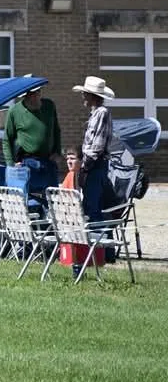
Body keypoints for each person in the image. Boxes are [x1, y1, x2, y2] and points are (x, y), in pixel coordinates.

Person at [74, 76, 117, 272]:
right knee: (91, 207)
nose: (82, 95)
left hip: (95, 166)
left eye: (85, 93)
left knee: (93, 210)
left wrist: (85, 167)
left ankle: (103, 253)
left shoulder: (101, 113)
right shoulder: (96, 113)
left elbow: (97, 146)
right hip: (93, 166)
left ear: (93, 95)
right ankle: (100, 253)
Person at [3, 81, 62, 195]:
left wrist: (57, 152)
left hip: (48, 161)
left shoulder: (49, 106)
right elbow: (7, 140)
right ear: (25, 96)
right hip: (26, 163)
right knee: (24, 199)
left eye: (38, 92)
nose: (36, 96)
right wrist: (11, 164)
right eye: (32, 94)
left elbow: (56, 130)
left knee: (53, 199)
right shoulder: (14, 111)